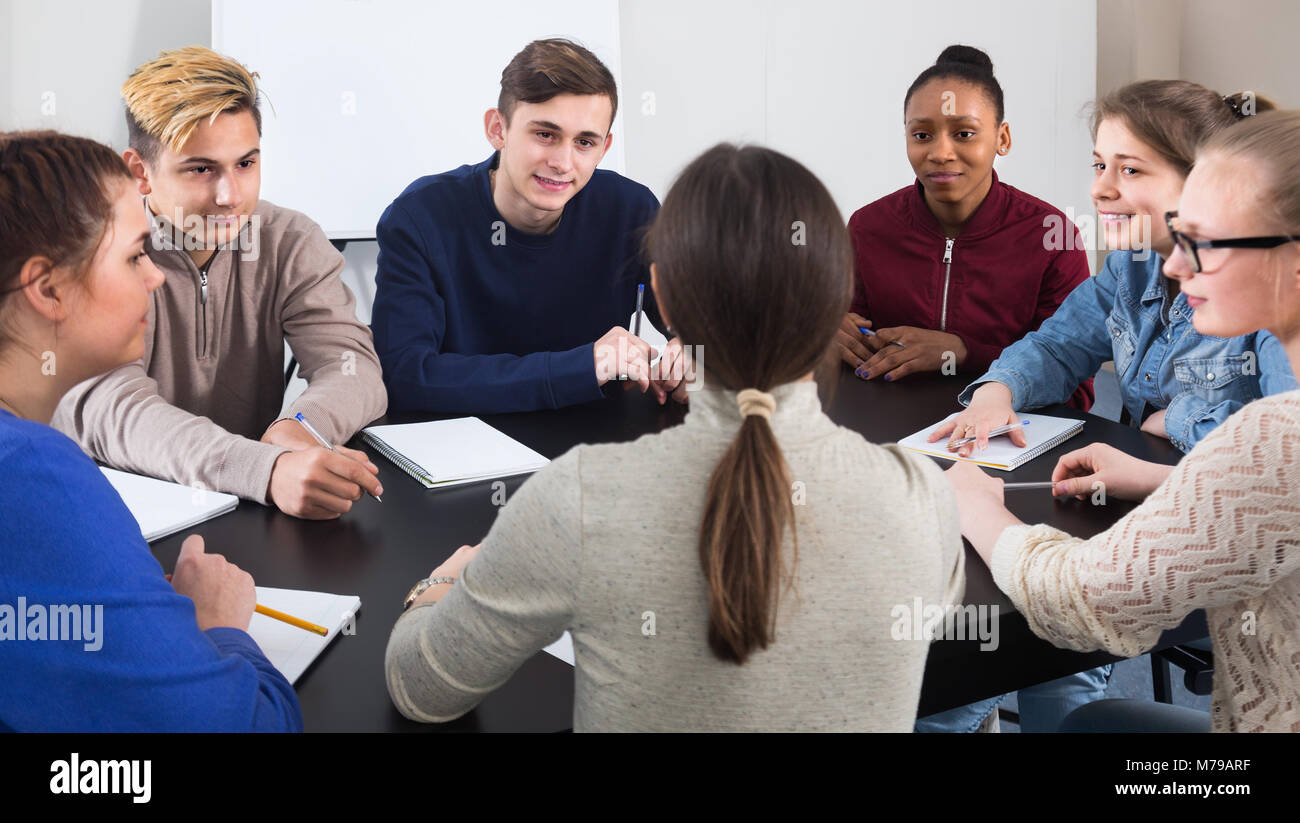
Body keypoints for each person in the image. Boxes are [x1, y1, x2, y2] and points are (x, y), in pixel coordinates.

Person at [383, 144, 964, 731]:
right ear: (839, 296)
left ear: (660, 292)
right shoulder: (922, 496)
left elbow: (421, 691)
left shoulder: (577, 501)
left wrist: (443, 583)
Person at [946, 109, 1300, 733]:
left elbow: (1079, 601)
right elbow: (1058, 343)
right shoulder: (1133, 268)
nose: (1174, 266)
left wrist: (972, 502)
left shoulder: (1275, 435)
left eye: (1208, 242)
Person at [0, 130, 301, 731]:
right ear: (49, 289)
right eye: (136, 255)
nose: (156, 277)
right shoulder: (32, 474)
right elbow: (246, 726)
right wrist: (219, 626)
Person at [52, 46, 387, 521]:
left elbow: (352, 367)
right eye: (201, 169)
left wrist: (300, 426)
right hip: (118, 518)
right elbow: (113, 409)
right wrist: (266, 468)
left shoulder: (290, 239)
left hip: (249, 511)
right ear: (139, 172)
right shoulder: (95, 252)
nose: (230, 196)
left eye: (246, 164)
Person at [936, 81, 1296, 459]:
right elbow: (1059, 345)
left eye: (1129, 170)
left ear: (1203, 181)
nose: (1099, 189)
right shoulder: (1132, 265)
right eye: (1100, 165)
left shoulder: (1261, 291)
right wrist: (996, 393)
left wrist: (1177, 419)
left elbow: (1283, 451)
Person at [371, 38, 688, 415]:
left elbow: (707, 324)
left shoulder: (631, 209)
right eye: (545, 134)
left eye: (584, 142)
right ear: (497, 129)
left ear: (604, 149)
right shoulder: (420, 217)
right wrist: (581, 366)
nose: (562, 162)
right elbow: (406, 377)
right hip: (465, 453)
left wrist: (697, 355)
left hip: (598, 447)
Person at [836, 45, 1093, 410]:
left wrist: (962, 353)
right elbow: (850, 350)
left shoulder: (1054, 236)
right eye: (922, 135)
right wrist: (832, 336)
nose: (940, 152)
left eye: (964, 133)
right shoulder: (867, 227)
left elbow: (1075, 386)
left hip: (1005, 439)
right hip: (887, 434)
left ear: (1002, 138)